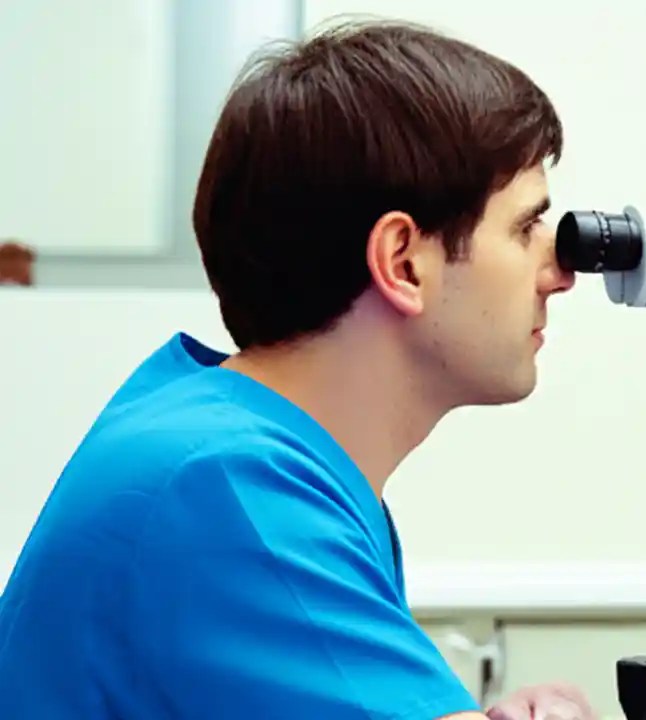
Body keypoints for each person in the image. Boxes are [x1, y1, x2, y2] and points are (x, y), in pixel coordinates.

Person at [0, 19, 596, 720]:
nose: (561, 273)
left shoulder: (228, 442)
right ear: (404, 262)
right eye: (526, 228)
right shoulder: (231, 490)